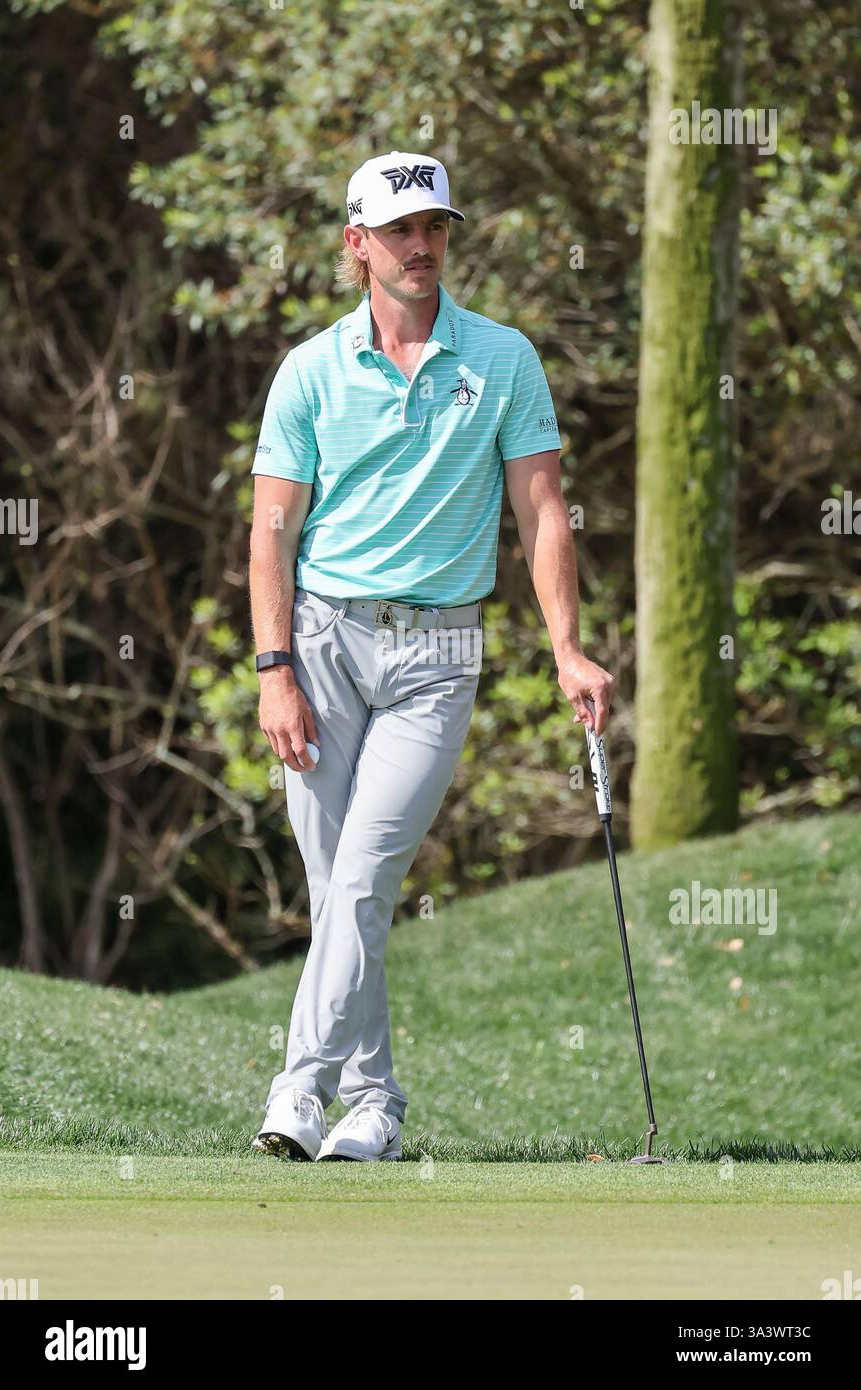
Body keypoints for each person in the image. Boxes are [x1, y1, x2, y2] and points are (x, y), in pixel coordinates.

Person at [248, 150, 614, 1162]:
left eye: (436, 227)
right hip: (321, 642)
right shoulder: (311, 370)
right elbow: (271, 532)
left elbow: (542, 512)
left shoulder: (501, 360)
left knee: (364, 875)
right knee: (336, 887)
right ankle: (373, 1105)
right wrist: (273, 666)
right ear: (355, 244)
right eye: (400, 230)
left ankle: (297, 1088)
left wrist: (567, 648)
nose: (422, 246)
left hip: (438, 652)